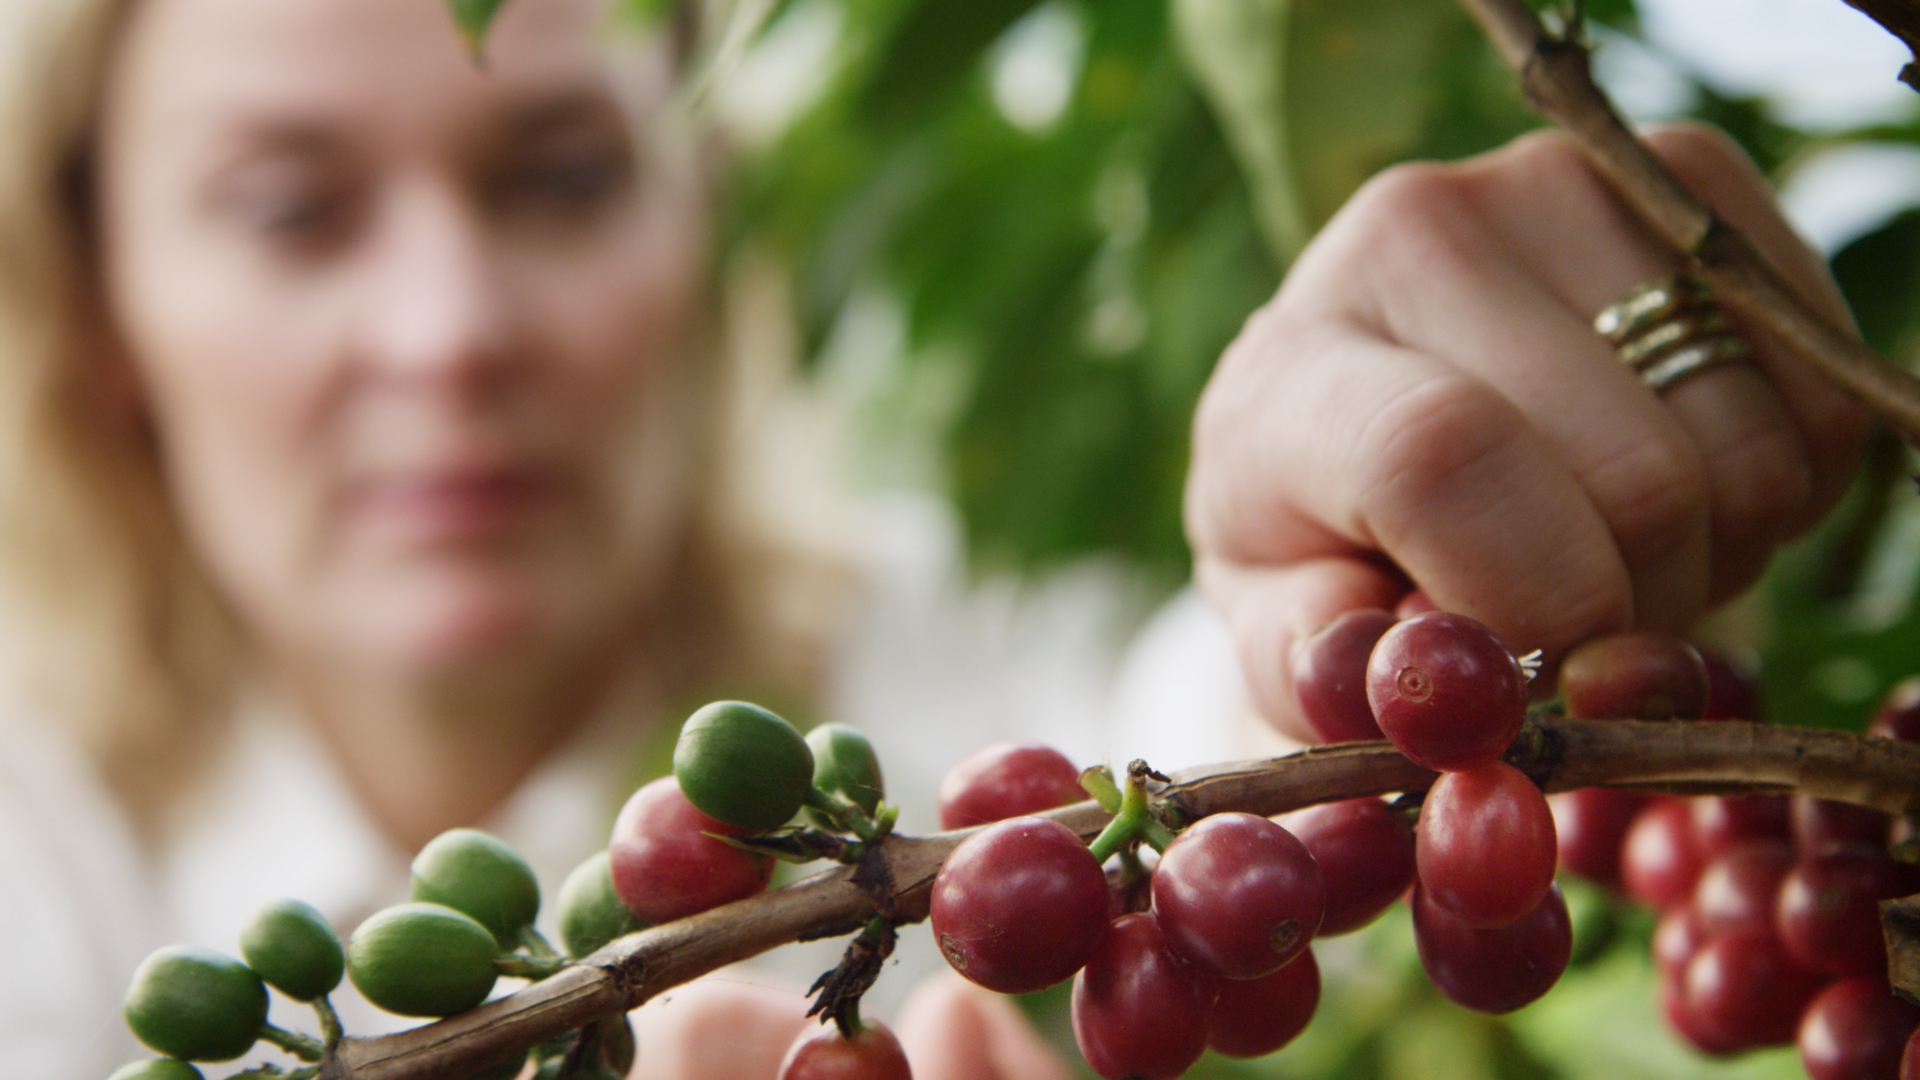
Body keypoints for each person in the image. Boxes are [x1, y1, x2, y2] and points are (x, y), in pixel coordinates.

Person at [0, 0, 1866, 1076]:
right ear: (95, 312)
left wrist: (1398, 539)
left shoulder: (964, 685)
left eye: (563, 178)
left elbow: (1216, 763)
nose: (452, 329)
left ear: (711, 237)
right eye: (289, 211)